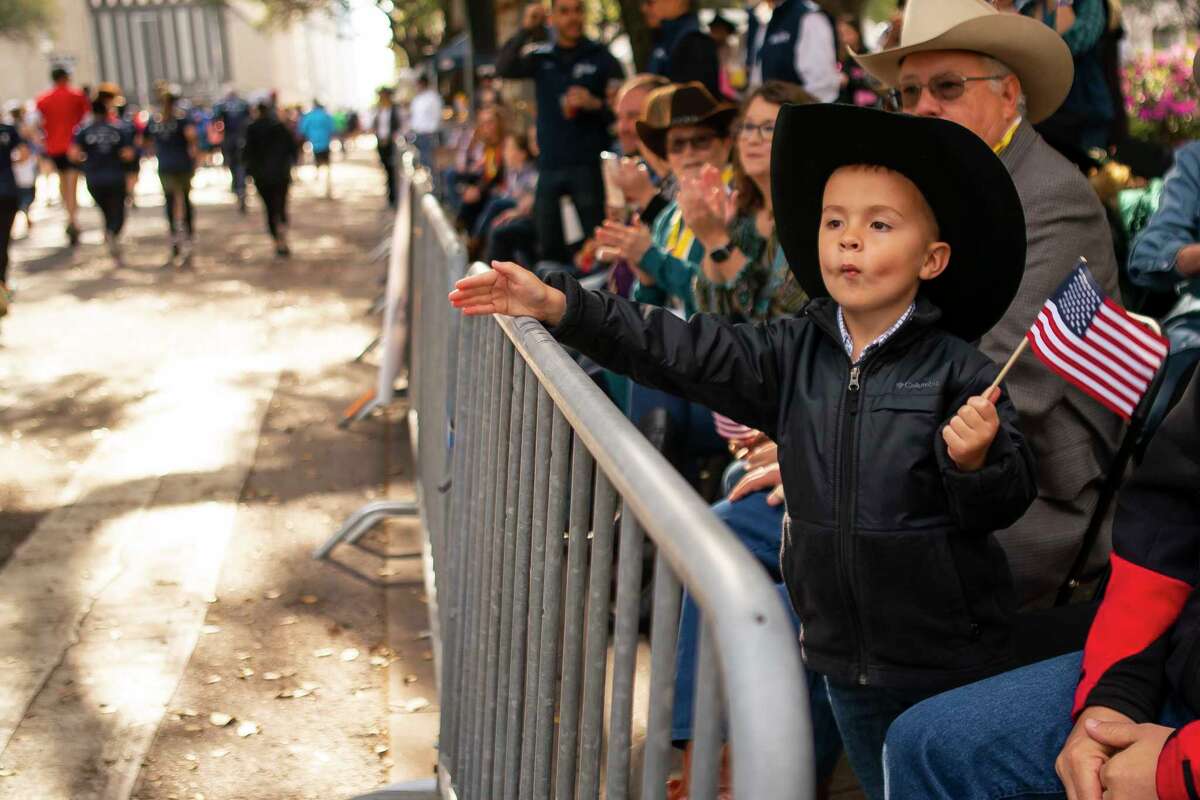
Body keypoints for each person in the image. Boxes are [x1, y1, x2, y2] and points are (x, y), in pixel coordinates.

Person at [451, 102, 1038, 800]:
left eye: (879, 225)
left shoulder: (961, 371)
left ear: (932, 258)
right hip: (841, 660)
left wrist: (976, 463)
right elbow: (681, 347)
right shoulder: (792, 353)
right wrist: (563, 307)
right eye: (834, 222)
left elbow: (1005, 500)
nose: (850, 239)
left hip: (945, 659)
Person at [855, 0, 1124, 608]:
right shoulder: (933, 186)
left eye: (947, 86)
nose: (924, 106)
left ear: (1009, 95)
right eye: (909, 92)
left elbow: (1004, 384)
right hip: (935, 455)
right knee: (755, 536)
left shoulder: (1050, 196)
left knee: (809, 551)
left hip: (1030, 492)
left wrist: (845, 447)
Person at [884, 369, 1200, 800]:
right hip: (1175, 660)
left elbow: (1021, 407)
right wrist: (1114, 696)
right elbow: (1170, 513)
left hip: (1046, 517)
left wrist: (1176, 771)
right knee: (924, 743)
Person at [664, 80, 838, 800]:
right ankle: (707, 752)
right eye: (752, 128)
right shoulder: (749, 213)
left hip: (790, 417)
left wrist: (712, 242)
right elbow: (716, 320)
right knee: (726, 539)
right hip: (758, 411)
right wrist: (710, 239)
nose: (759, 140)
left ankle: (728, 762)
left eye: (774, 127)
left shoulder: (816, 215)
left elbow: (772, 326)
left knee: (728, 527)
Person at [496, 0, 624, 263]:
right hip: (550, 167)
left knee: (596, 243)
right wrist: (526, 29)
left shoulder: (601, 56)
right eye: (564, 11)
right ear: (552, 17)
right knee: (549, 246)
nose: (572, 17)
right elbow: (504, 67)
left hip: (588, 168)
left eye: (577, 10)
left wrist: (595, 104)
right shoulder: (541, 56)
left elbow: (621, 113)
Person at [594, 82, 735, 317]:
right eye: (677, 145)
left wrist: (650, 257)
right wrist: (646, 278)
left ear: (726, 143)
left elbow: (722, 300)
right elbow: (647, 314)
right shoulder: (668, 217)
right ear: (666, 155)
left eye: (701, 140)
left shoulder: (740, 204)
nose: (688, 152)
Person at [1017, 0, 1114, 156]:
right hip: (1044, 115)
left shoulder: (1087, 4)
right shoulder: (1030, 7)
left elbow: (1075, 42)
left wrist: (1061, 3)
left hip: (1085, 116)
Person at [69, 98, 135, 265]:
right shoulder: (118, 129)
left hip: (94, 179)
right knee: (118, 210)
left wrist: (86, 160)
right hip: (115, 177)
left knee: (105, 209)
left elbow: (73, 154)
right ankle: (112, 231)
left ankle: (110, 231)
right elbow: (128, 153)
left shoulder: (83, 130)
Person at [744, 0, 840, 102]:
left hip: (797, 110)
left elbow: (823, 86)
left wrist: (790, 110)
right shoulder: (769, 21)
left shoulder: (809, 17)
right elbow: (757, 79)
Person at [35, 67, 90, 246]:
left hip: (54, 147)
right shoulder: (76, 95)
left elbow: (36, 123)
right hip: (72, 146)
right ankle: (73, 219)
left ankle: (69, 216)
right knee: (72, 183)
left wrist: (43, 142)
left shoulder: (43, 99)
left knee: (62, 181)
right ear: (66, 78)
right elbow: (86, 120)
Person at [145, 87, 198, 266]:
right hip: (182, 164)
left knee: (170, 200)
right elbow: (192, 139)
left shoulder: (155, 121)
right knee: (185, 198)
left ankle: (175, 233)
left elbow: (144, 141)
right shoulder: (182, 120)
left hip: (166, 165)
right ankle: (187, 233)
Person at [242, 93, 300, 257]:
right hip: (281, 174)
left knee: (269, 209)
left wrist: (248, 173)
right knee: (281, 206)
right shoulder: (280, 127)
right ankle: (282, 235)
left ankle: (277, 240)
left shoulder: (252, 129)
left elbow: (247, 154)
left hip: (262, 177)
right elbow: (292, 148)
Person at [642, 0, 722, 98]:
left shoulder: (696, 41)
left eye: (650, 2)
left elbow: (692, 100)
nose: (644, 8)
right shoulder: (664, 38)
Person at [482, 132, 540, 265]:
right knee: (497, 219)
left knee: (497, 211)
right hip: (525, 213)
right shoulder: (512, 171)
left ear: (522, 154)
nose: (504, 153)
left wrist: (516, 211)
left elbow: (527, 201)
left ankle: (477, 245)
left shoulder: (533, 171)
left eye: (509, 148)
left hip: (532, 217)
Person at [0, 116, 29, 317]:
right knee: (3, 243)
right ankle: (2, 288)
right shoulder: (8, 130)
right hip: (7, 191)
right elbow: (24, 154)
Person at [213, 87, 251, 212]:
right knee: (239, 165)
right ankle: (240, 187)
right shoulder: (242, 104)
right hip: (239, 139)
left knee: (235, 165)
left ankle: (239, 187)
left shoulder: (223, 105)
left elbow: (216, 122)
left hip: (230, 140)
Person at [8, 102, 39, 238]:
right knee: (24, 193)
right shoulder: (12, 128)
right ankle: (24, 214)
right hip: (21, 165)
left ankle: (24, 214)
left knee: (25, 193)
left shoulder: (17, 127)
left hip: (24, 164)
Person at [371, 86, 402, 208]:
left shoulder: (394, 109)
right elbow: (375, 125)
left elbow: (399, 124)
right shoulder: (378, 110)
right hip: (381, 142)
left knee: (391, 168)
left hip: (391, 143)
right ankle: (390, 192)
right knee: (386, 167)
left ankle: (393, 195)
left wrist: (393, 136)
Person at [299, 99, 336, 199]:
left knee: (317, 165)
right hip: (325, 143)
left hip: (315, 144)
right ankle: (327, 188)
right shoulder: (326, 116)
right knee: (327, 166)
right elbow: (333, 128)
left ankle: (319, 187)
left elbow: (302, 129)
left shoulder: (309, 116)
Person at [408, 75, 444, 172]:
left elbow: (437, 115)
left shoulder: (433, 97)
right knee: (421, 160)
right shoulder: (417, 99)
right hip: (418, 133)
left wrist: (432, 131)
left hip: (429, 133)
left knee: (429, 161)